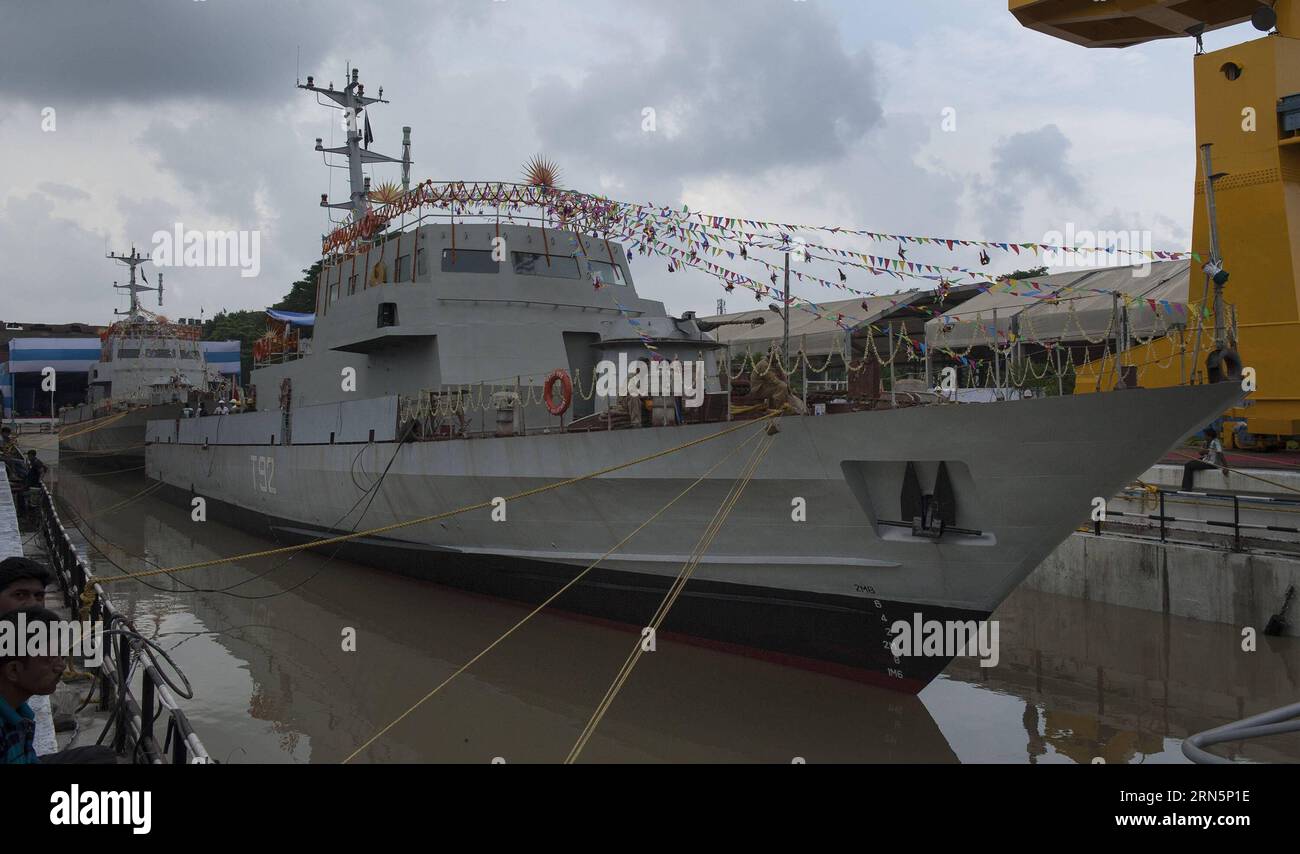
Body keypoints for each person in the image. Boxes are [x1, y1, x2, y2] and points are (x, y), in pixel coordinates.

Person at [0, 606, 117, 764]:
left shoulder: (19, 709)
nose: (61, 667)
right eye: (50, 659)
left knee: (101, 756)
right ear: (13, 670)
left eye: (61, 656)